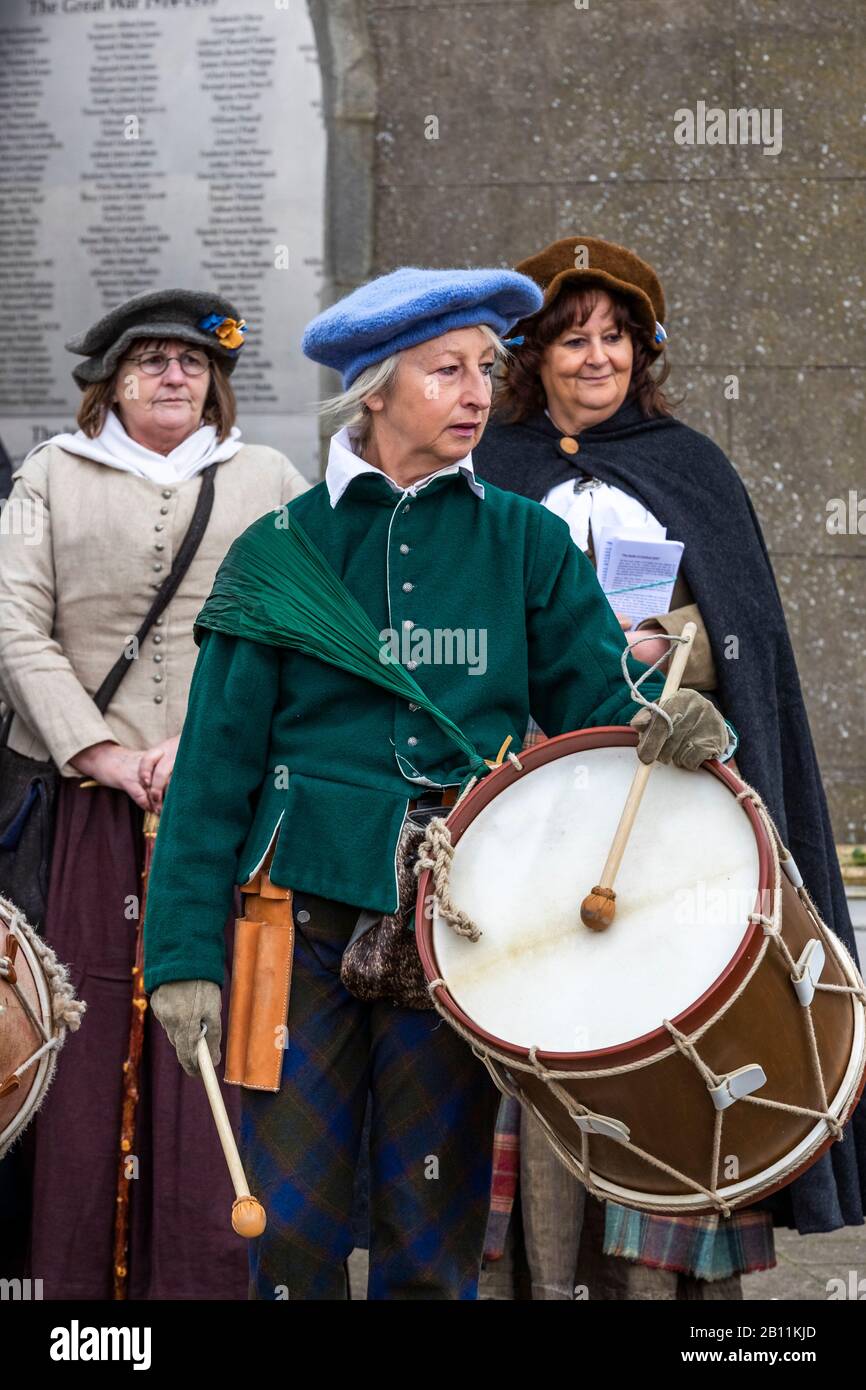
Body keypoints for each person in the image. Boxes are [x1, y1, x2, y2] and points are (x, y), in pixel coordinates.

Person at [141, 266, 731, 1301]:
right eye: (445, 369)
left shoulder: (523, 540)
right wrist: (183, 953)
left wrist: (665, 722)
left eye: (485, 368)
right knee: (290, 1231)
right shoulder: (281, 552)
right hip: (296, 925)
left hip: (460, 923)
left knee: (434, 1233)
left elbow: (598, 704)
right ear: (372, 388)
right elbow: (210, 775)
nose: (474, 392)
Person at [473, 234, 865, 1299]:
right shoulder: (488, 469)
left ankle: (673, 1296)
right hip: (534, 808)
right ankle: (545, 1280)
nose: (593, 358)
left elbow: (748, 640)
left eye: (613, 339)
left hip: (667, 807)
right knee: (545, 1034)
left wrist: (679, 635)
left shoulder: (687, 465)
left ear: (640, 353)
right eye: (570, 339)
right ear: (533, 355)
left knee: (667, 1026)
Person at [0, 288, 309, 1298]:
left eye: (191, 361)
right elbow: (13, 627)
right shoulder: (52, 473)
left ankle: (204, 1277)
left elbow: (303, 622)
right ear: (110, 384)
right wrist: (99, 751)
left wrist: (198, 746)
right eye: (151, 361)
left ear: (215, 383)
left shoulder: (266, 477)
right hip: (87, 806)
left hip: (220, 803)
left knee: (216, 1034)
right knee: (82, 1045)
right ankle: (80, 1299)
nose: (174, 374)